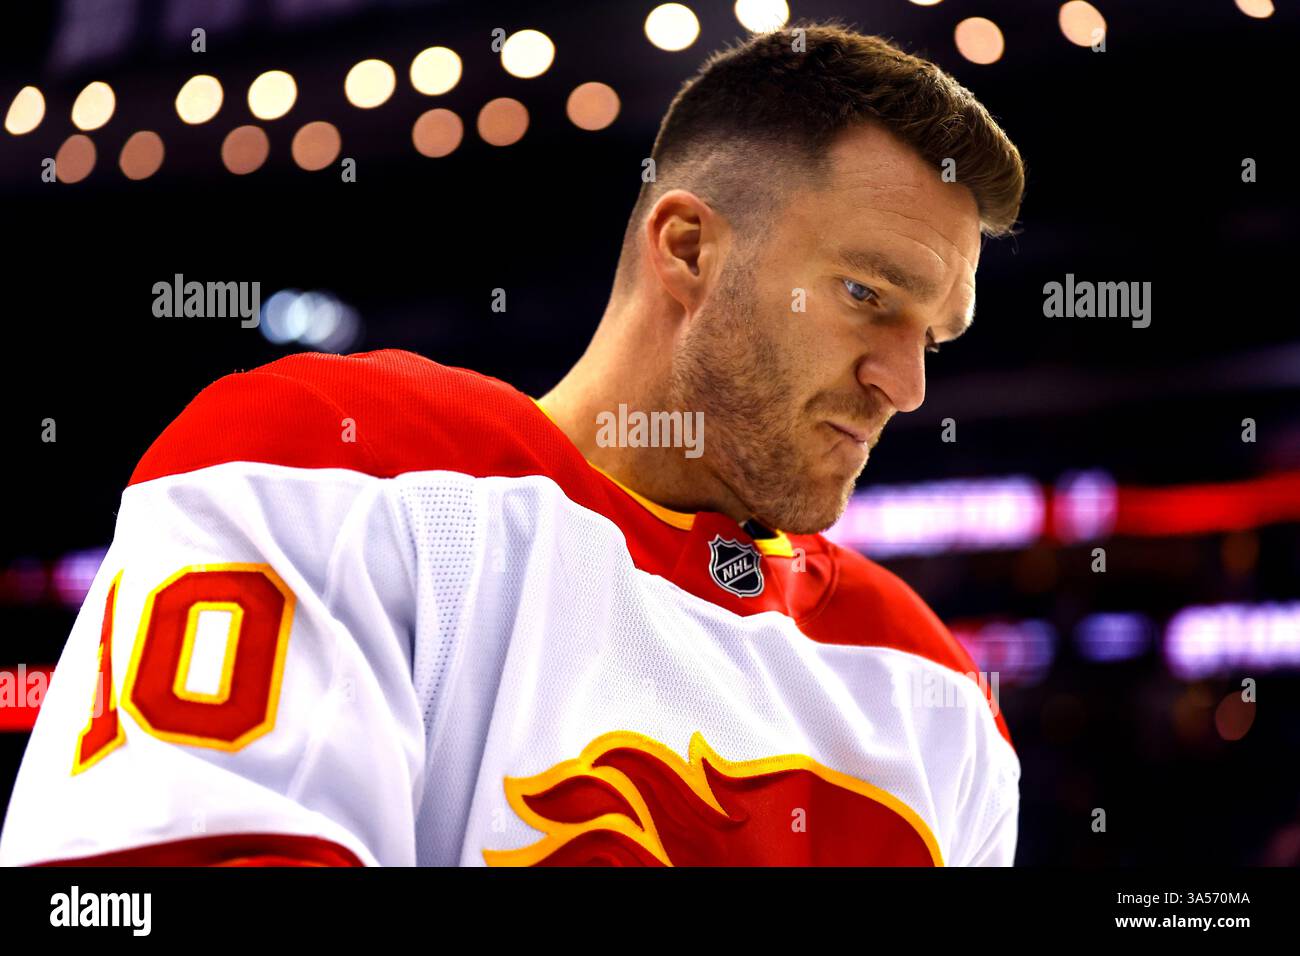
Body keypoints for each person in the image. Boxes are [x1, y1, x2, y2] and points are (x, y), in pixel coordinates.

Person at [1, 22, 1025, 866]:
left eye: (931, 334)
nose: (906, 383)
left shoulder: (933, 695)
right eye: (865, 295)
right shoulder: (339, 465)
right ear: (688, 247)